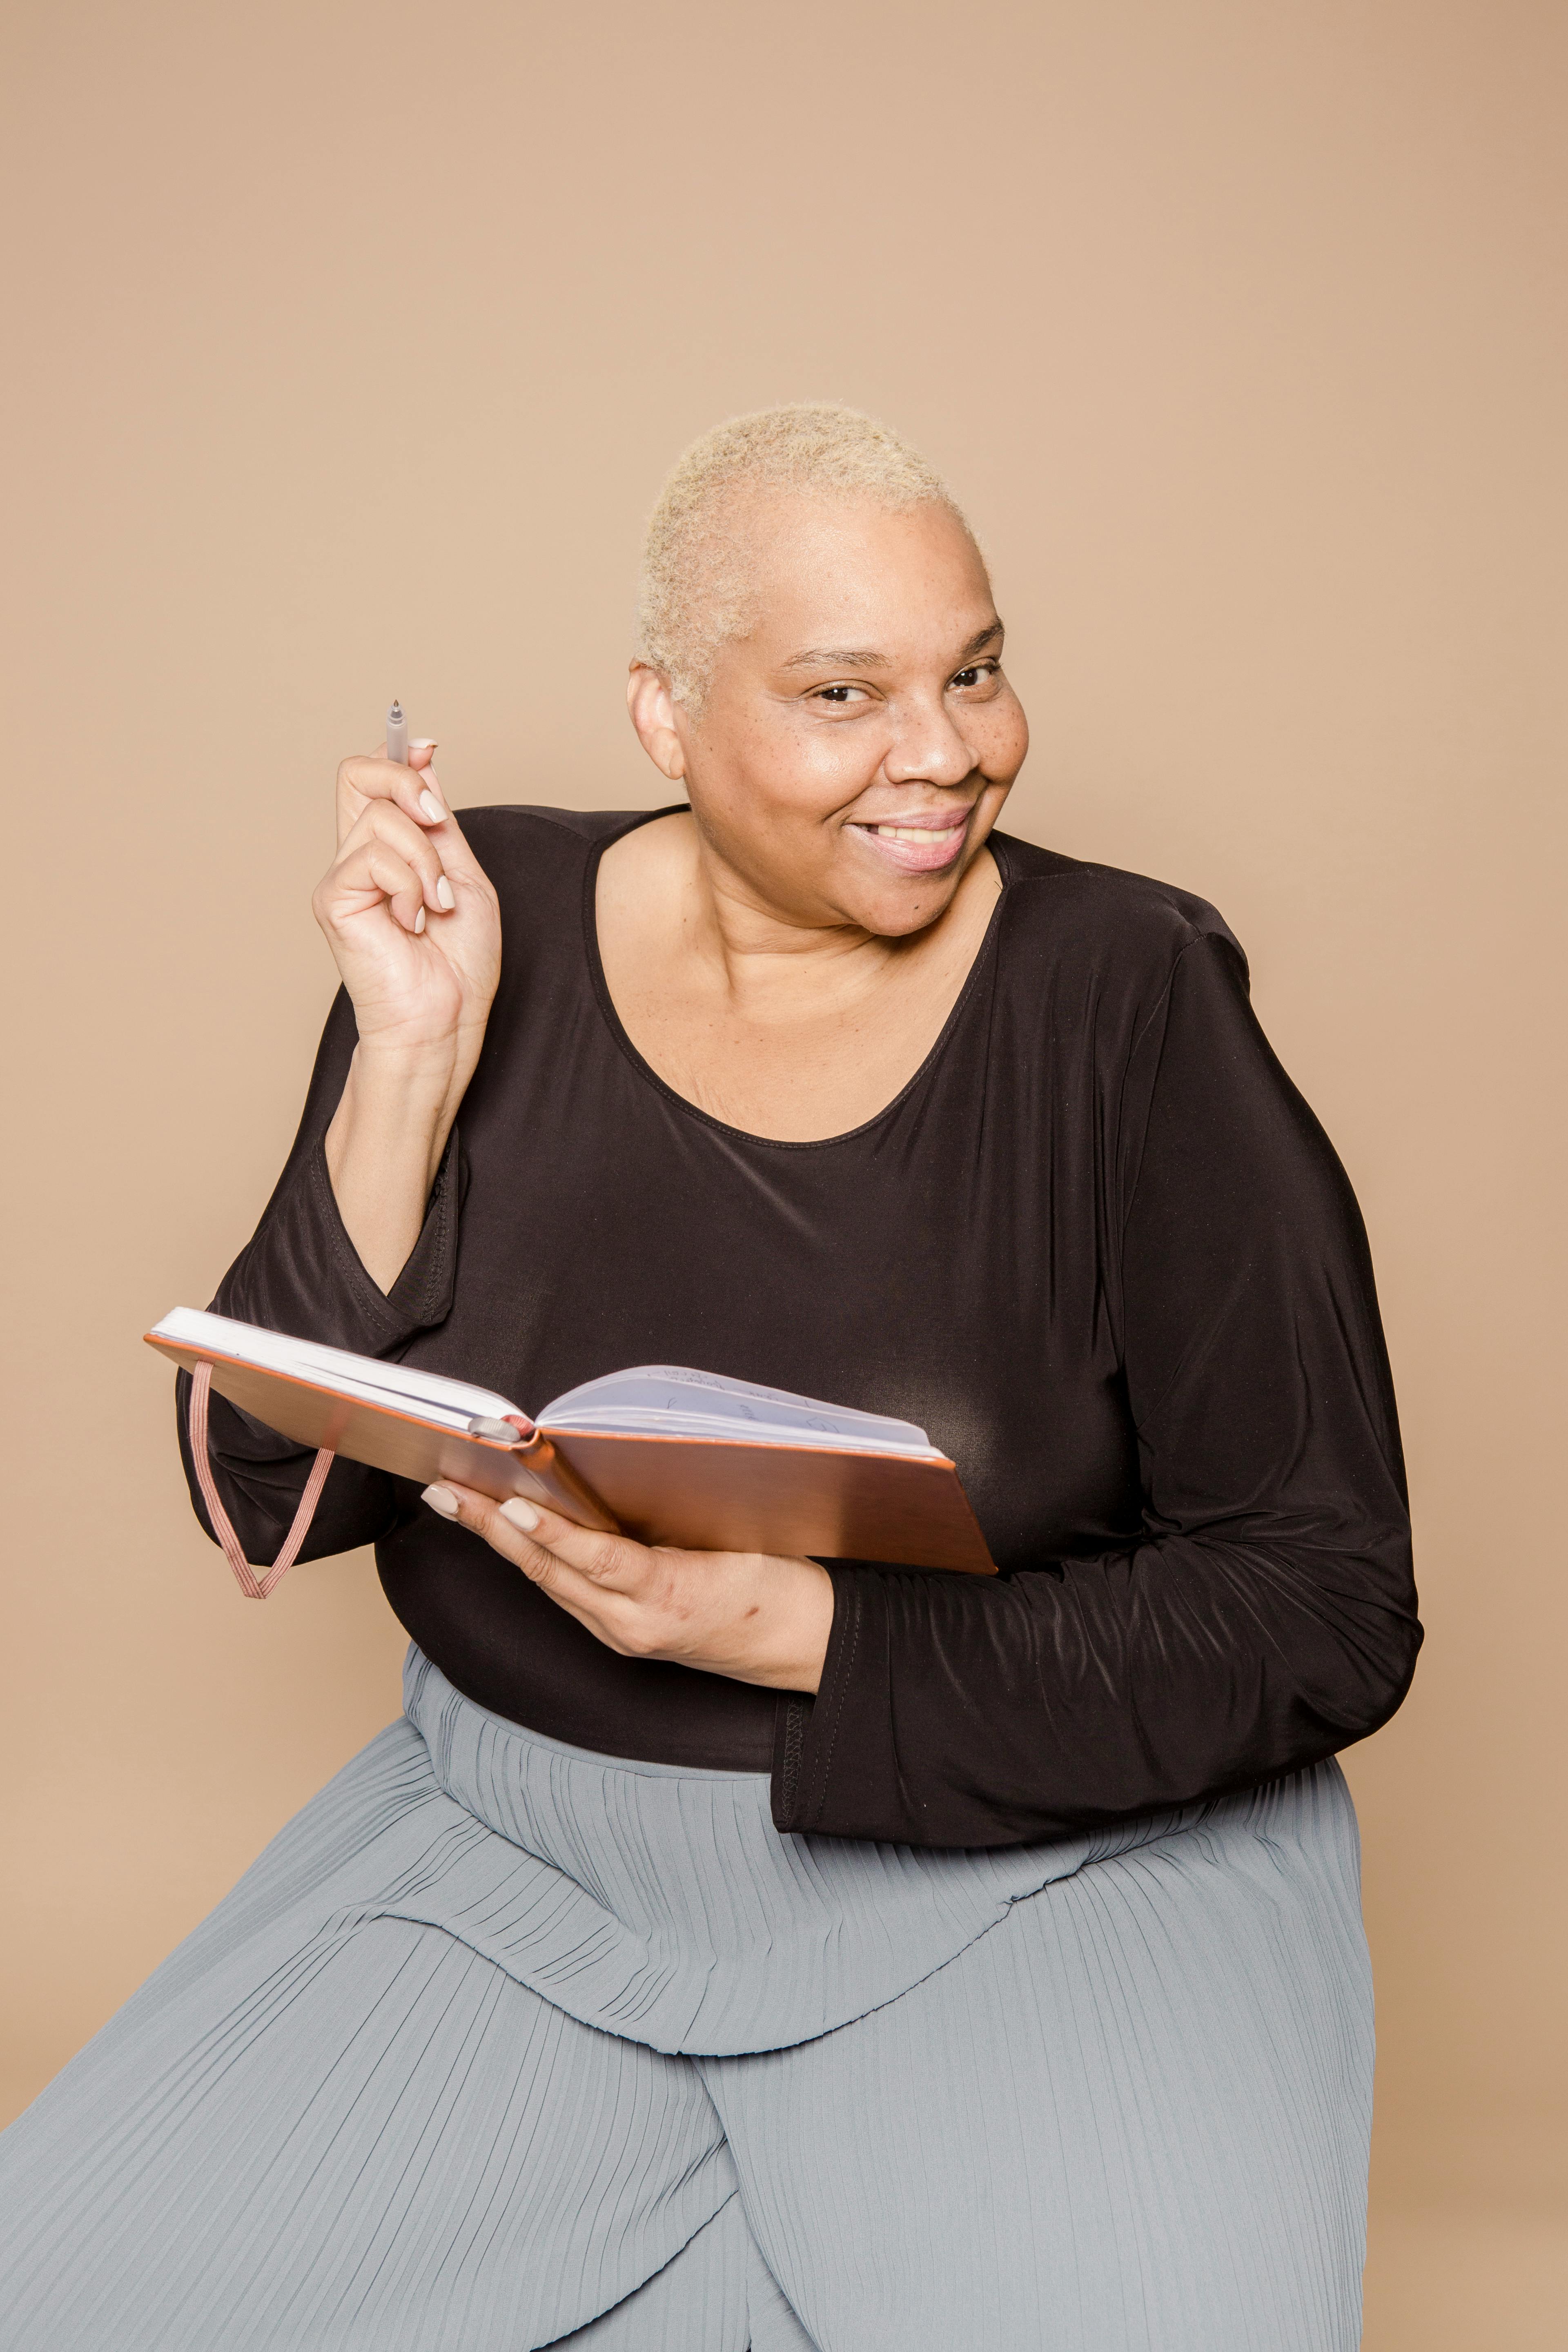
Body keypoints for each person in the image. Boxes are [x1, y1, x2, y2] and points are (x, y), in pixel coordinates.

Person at [0, 405, 1419, 2350]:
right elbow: (269, 1486)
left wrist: (812, 1633)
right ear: (664, 714)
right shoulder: (480, 919)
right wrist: (406, 1066)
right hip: (527, 1870)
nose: (946, 752)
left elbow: (1326, 1608)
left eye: (976, 671)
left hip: (1041, 1880)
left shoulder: (1132, 995)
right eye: (846, 690)